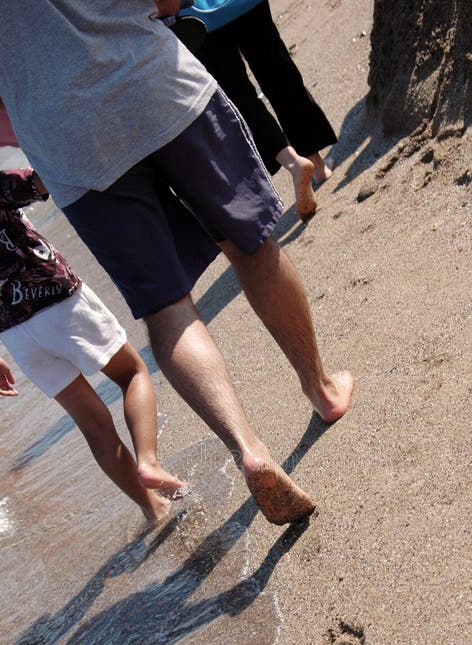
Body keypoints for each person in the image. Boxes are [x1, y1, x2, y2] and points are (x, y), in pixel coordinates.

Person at [0, 0, 353, 527]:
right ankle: (320, 389)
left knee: (168, 309)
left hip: (70, 147)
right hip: (157, 87)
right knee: (253, 247)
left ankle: (248, 447)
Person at [0, 167, 187, 526]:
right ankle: (147, 462)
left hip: (16, 334)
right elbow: (40, 179)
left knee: (93, 424)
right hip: (58, 300)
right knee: (132, 373)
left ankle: (152, 509)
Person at [192, 0, 337, 220]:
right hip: (245, 4)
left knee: (239, 95)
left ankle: (294, 163)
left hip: (197, 16)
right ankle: (317, 165)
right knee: (277, 71)